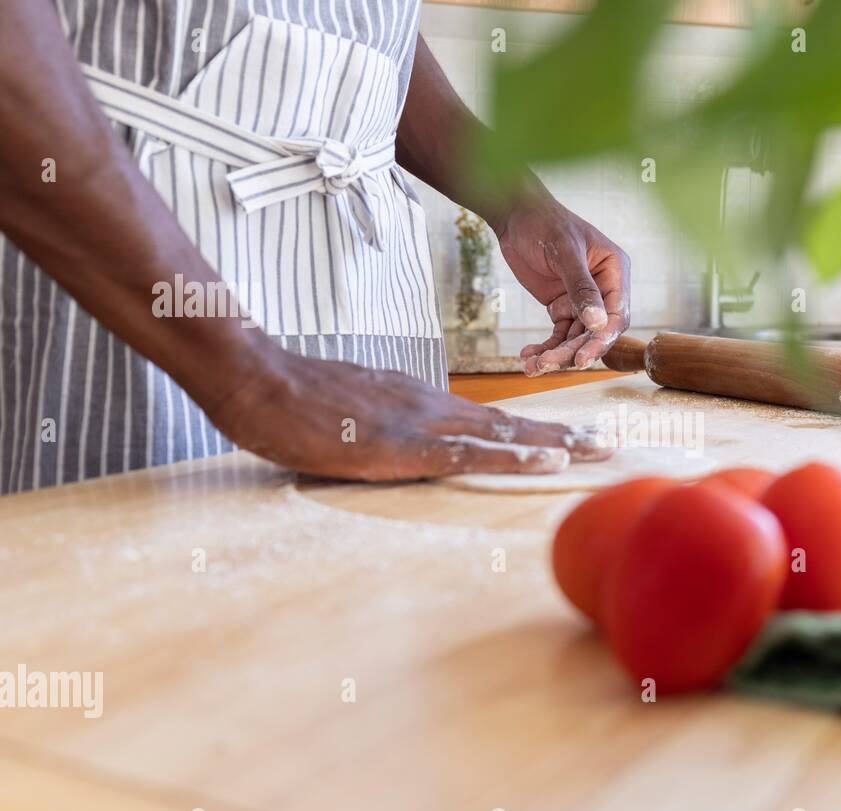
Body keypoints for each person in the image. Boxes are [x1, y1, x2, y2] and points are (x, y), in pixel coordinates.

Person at [0, 1, 630, 495]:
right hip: (131, 245)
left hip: (367, 276)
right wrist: (252, 377)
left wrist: (515, 200)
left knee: (363, 611)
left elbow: (361, 25)